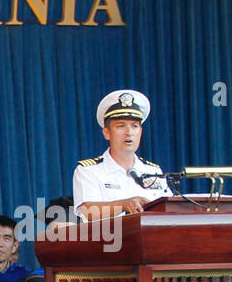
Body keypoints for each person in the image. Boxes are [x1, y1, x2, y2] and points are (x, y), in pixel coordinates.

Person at [73, 89, 172, 221]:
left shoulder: (153, 171)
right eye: (121, 126)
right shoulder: (88, 171)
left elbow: (169, 210)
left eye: (135, 126)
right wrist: (124, 205)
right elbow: (88, 212)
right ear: (106, 133)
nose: (129, 133)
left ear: (141, 132)